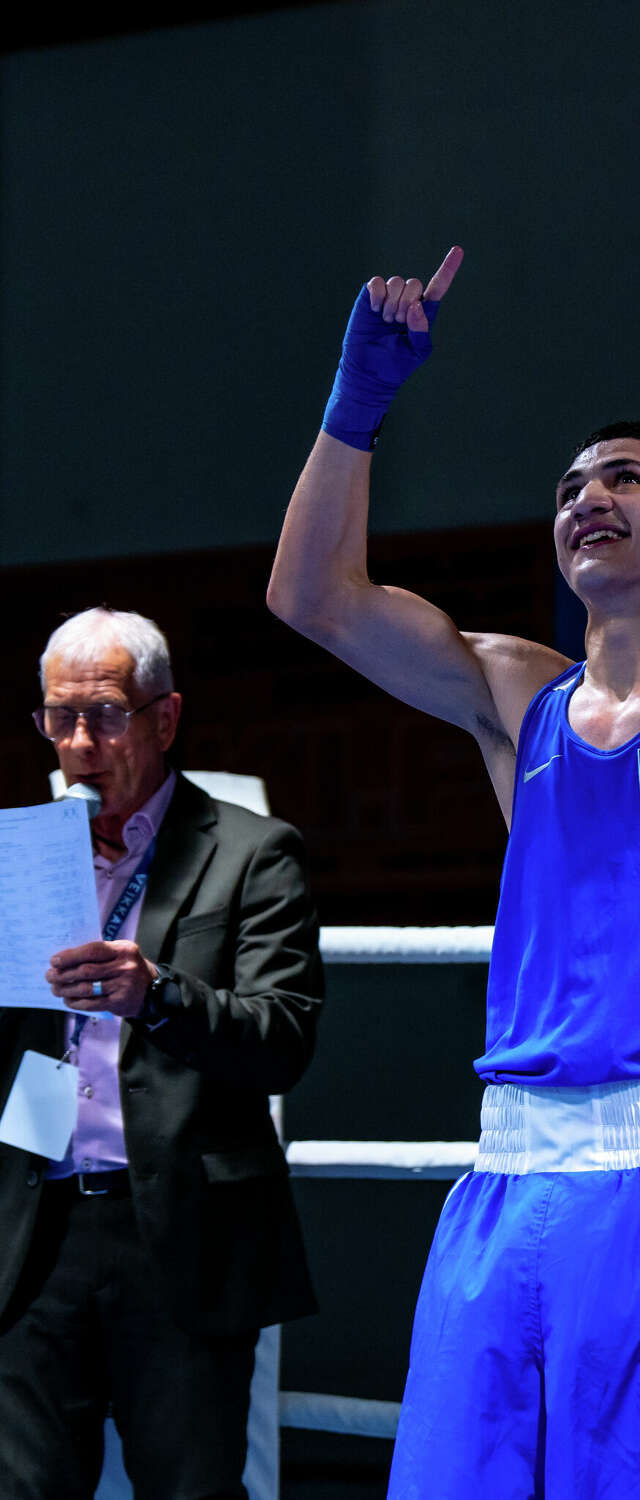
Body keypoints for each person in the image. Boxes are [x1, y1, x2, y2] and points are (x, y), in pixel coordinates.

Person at [268, 151, 640, 1498]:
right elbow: (313, 599)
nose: (586, 496)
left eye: (625, 479)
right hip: (508, 1186)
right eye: (569, 488)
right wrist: (357, 408)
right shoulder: (512, 699)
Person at [0, 606, 324, 1500]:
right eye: (59, 717)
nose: (79, 743)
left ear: (165, 717)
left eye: (105, 715)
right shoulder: (21, 859)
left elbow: (283, 1040)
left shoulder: (253, 852)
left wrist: (158, 995)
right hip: (33, 1230)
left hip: (184, 1233)